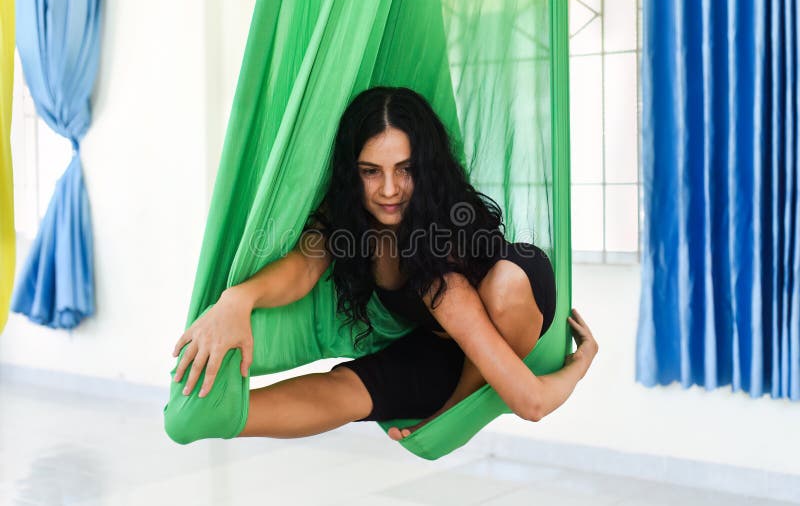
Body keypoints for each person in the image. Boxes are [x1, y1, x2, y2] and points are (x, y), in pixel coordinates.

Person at [171, 86, 598, 442]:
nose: (389, 190)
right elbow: (302, 268)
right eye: (371, 171)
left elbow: (533, 403)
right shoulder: (352, 217)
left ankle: (459, 407)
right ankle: (220, 417)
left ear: (425, 169)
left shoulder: (444, 269)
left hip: (508, 297)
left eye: (404, 170)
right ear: (351, 172)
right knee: (344, 389)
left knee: (503, 289)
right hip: (441, 341)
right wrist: (236, 300)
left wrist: (581, 363)